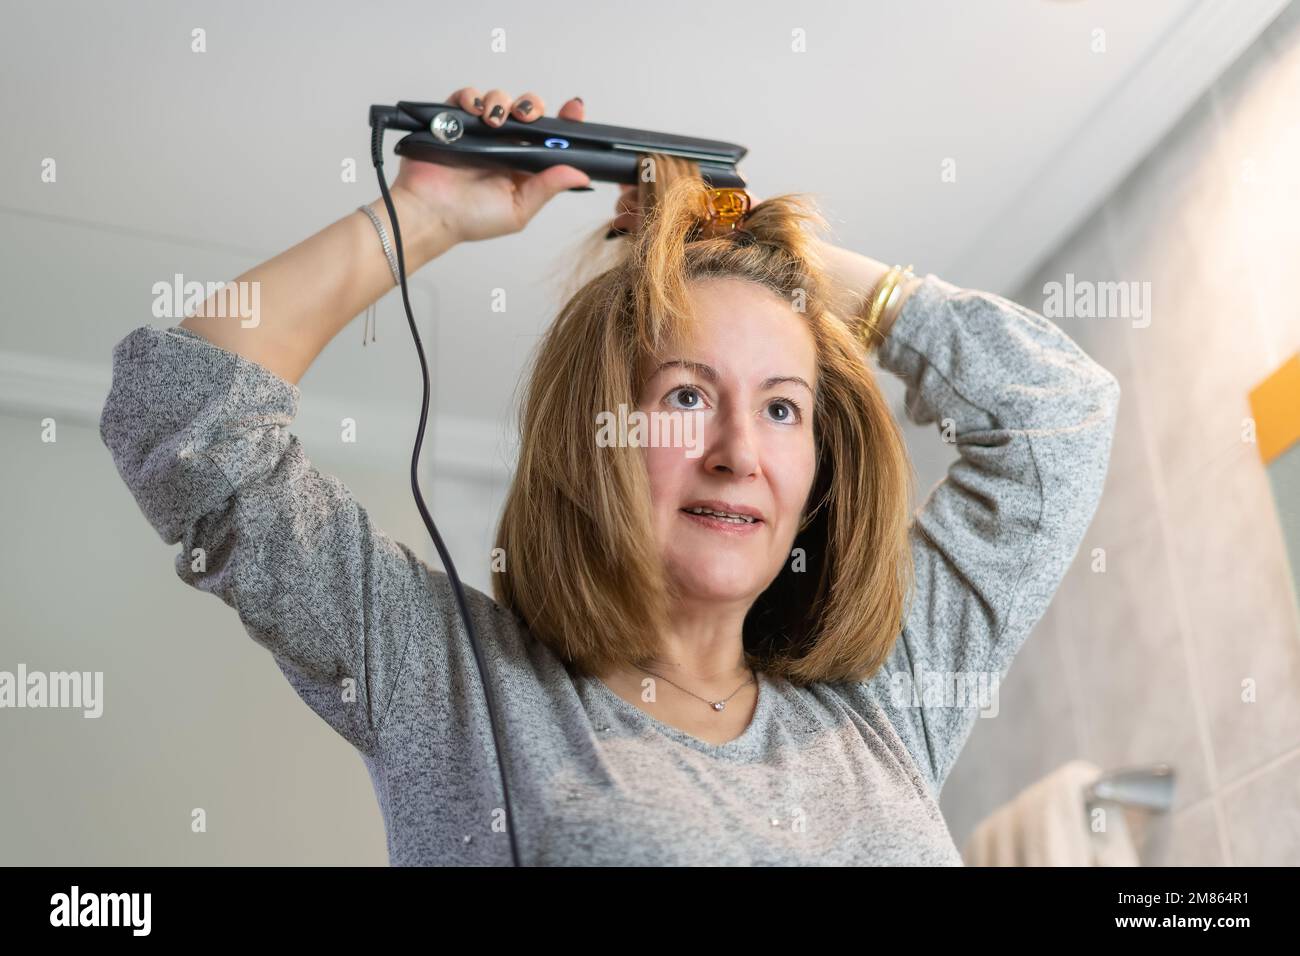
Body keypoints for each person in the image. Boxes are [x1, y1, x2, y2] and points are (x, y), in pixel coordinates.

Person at [100, 87, 1121, 865]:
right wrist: (428, 216)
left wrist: (776, 254)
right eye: (685, 394)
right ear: (593, 440)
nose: (739, 450)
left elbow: (1057, 414)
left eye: (781, 406)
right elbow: (185, 415)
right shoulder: (453, 684)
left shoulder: (879, 705)